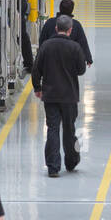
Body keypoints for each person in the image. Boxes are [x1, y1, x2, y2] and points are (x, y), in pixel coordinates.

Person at [33, 13, 87, 177]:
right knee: (69, 129)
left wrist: (38, 87)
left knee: (52, 129)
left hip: (50, 94)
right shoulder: (75, 48)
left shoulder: (46, 46)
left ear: (56, 28)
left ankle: (53, 167)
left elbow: (36, 69)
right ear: (70, 30)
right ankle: (71, 162)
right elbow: (81, 70)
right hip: (69, 95)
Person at [39, 0, 93, 65]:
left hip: (51, 61)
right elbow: (82, 42)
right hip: (69, 62)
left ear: (60, 8)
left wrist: (41, 57)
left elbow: (42, 40)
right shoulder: (76, 25)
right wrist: (88, 58)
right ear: (72, 10)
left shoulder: (49, 22)